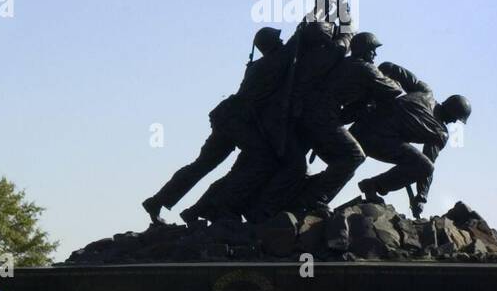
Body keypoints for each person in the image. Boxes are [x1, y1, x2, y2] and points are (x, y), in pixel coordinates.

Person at [143, 26, 290, 225]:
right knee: (263, 157)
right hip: (237, 121)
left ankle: (158, 201)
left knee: (202, 165)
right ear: (271, 44)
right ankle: (218, 204)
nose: (282, 42)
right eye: (278, 40)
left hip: (228, 117)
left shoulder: (259, 65)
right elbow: (295, 43)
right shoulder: (272, 62)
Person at [293, 30, 402, 214]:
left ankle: (306, 194)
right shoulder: (364, 68)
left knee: (341, 163)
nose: (375, 55)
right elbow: (394, 90)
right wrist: (393, 80)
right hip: (323, 117)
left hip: (313, 116)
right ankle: (314, 198)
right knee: (354, 157)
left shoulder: (344, 64)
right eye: (373, 50)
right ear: (365, 50)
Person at [352, 63, 471, 215]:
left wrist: (374, 95)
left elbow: (388, 67)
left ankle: (372, 186)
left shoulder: (425, 91)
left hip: (361, 128)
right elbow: (426, 167)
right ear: (453, 114)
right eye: (456, 118)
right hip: (375, 140)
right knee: (424, 166)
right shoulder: (440, 133)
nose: (454, 122)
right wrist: (422, 197)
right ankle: (373, 186)